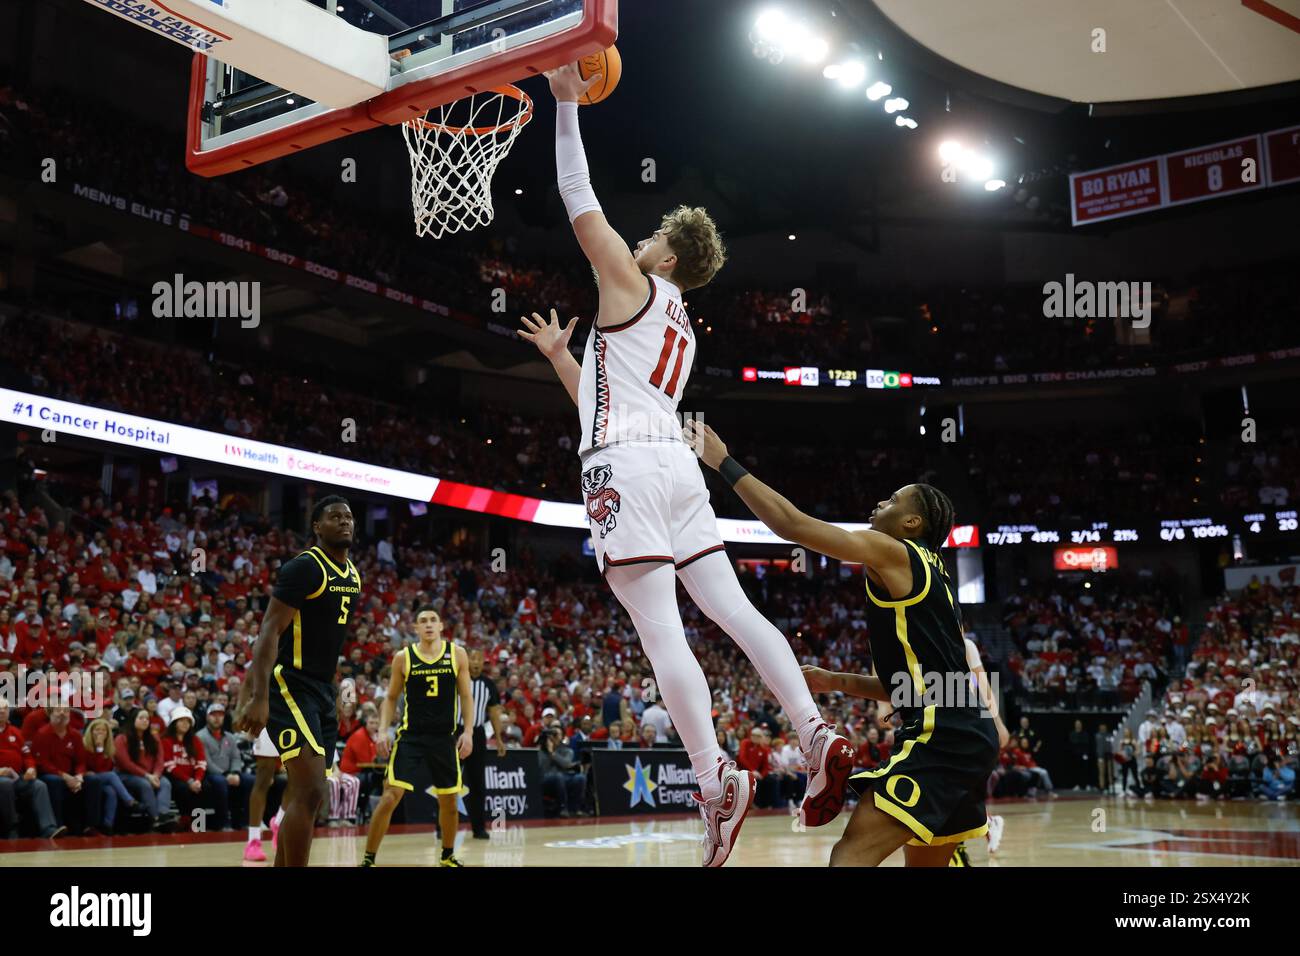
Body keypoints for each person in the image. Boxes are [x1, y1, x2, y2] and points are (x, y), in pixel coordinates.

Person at [516, 62, 852, 868]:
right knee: (734, 612)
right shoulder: (683, 327)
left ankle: (713, 780)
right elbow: (612, 401)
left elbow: (576, 198)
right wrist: (567, 359)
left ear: (668, 256)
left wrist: (565, 108)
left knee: (661, 628)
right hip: (673, 463)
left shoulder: (631, 281)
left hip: (627, 467)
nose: (643, 235)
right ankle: (813, 731)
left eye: (657, 233)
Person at [688, 418, 997, 867]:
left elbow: (791, 525)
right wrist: (834, 680)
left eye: (893, 500)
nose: (880, 502)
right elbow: (914, 686)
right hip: (966, 731)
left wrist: (722, 461)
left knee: (850, 853)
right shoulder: (936, 571)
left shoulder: (896, 552)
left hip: (940, 735)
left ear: (912, 522)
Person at [234, 496, 359, 866]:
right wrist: (258, 696)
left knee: (310, 797)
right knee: (310, 789)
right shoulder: (304, 567)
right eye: (335, 517)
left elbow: (328, 638)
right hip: (289, 685)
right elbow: (269, 631)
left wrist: (333, 686)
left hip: (321, 690)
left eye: (349, 517)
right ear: (317, 527)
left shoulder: (352, 574)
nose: (345, 522)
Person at [362, 607, 473, 868]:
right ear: (415, 629)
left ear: (442, 625)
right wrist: (382, 731)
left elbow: (466, 697)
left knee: (449, 800)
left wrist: (468, 733)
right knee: (390, 795)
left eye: (433, 620)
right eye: (423, 621)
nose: (429, 625)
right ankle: (368, 858)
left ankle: (447, 856)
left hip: (444, 737)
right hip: (410, 736)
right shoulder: (403, 657)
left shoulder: (457, 654)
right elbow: (390, 698)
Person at [31, 707, 102, 835]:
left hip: (71, 774)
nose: (63, 714)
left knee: (94, 780)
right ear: (50, 714)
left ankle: (91, 826)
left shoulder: (75, 734)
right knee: (56, 781)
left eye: (66, 711)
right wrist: (65, 777)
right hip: (50, 774)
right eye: (58, 710)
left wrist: (79, 776)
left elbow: (81, 761)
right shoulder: (42, 734)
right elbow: (43, 764)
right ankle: (58, 826)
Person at [0, 702, 65, 838]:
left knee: (39, 785)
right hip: (2, 779)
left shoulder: (15, 732)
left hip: (17, 776)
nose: (2, 711)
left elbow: (27, 755)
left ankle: (48, 828)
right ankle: (12, 827)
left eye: (5, 708)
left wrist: (30, 768)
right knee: (5, 784)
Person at [464, 649, 508, 839]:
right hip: (455, 731)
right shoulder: (456, 678)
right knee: (448, 779)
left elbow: (494, 713)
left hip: (478, 733)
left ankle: (478, 828)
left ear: (483, 663)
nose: (475, 662)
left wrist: (498, 738)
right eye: (472, 658)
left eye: (479, 659)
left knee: (477, 783)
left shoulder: (488, 684)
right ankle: (442, 827)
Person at [113, 706, 176, 831]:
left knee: (165, 783)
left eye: (147, 718)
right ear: (133, 720)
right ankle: (155, 819)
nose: (145, 721)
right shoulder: (121, 738)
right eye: (141, 718)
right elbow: (126, 763)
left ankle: (163, 815)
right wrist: (147, 776)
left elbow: (160, 760)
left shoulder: (154, 737)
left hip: (151, 775)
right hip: (126, 775)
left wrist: (157, 775)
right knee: (144, 784)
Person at [197, 701, 252, 831]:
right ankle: (224, 823)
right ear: (207, 717)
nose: (217, 718)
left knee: (251, 780)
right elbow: (207, 762)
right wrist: (226, 775)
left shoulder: (230, 737)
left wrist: (235, 773)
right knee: (220, 782)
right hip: (210, 775)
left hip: (230, 773)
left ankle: (245, 822)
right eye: (213, 715)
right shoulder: (200, 736)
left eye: (220, 715)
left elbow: (236, 757)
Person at [82, 717, 138, 835]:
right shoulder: (84, 745)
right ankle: (130, 801)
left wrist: (100, 748)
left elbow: (104, 768)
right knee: (112, 776)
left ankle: (108, 825)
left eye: (103, 731)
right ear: (91, 731)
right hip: (87, 778)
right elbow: (90, 767)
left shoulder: (108, 747)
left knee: (111, 791)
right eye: (97, 730)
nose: (100, 733)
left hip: (102, 778)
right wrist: (97, 748)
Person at [161, 706, 211, 826]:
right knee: (183, 788)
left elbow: (201, 762)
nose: (185, 724)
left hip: (194, 777)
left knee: (205, 787)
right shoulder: (165, 740)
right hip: (175, 777)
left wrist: (198, 780)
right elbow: (169, 766)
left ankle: (199, 823)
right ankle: (186, 819)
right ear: (174, 723)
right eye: (181, 720)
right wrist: (189, 781)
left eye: (188, 721)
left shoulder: (195, 740)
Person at [538, 725, 586, 817]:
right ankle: (563, 808)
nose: (553, 737)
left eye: (556, 734)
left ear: (562, 737)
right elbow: (540, 767)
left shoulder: (568, 751)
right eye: (551, 734)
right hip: (545, 779)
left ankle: (575, 809)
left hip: (563, 778)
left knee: (580, 778)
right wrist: (546, 749)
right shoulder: (541, 751)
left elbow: (566, 764)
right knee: (558, 776)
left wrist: (552, 753)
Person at [1068, 719, 1094, 790]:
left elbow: (1086, 744)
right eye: (1077, 724)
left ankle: (1086, 784)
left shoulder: (1085, 733)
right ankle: (1077, 785)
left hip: (1084, 755)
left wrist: (1086, 754)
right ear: (1075, 725)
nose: (1078, 725)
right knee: (1076, 770)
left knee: (1085, 770)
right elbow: (1072, 743)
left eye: (1079, 724)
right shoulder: (1072, 733)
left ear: (1081, 725)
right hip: (1075, 755)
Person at [1095, 723, 1115, 793]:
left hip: (1109, 756)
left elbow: (1112, 745)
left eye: (1104, 726)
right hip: (1101, 756)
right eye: (1101, 726)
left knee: (1110, 771)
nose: (1103, 728)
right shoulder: (1097, 735)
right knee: (1101, 772)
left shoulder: (1110, 735)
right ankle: (1102, 786)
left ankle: (1111, 785)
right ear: (1100, 727)